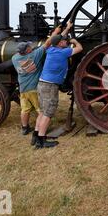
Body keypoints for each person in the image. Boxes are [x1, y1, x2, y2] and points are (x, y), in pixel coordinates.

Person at [11, 23, 70, 141]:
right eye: (29, 47)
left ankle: (25, 127)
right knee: (42, 111)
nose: (31, 47)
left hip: (23, 89)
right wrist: (57, 32)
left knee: (25, 109)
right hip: (34, 87)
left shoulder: (14, 58)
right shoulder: (35, 55)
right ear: (27, 50)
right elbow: (48, 43)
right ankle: (41, 131)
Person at [35, 21, 83, 149]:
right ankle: (41, 140)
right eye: (64, 41)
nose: (65, 41)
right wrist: (74, 41)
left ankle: (36, 135)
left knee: (43, 111)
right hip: (50, 86)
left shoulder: (50, 49)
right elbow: (80, 49)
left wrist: (67, 28)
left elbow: (57, 38)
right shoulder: (63, 52)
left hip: (42, 84)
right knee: (48, 113)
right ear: (60, 44)